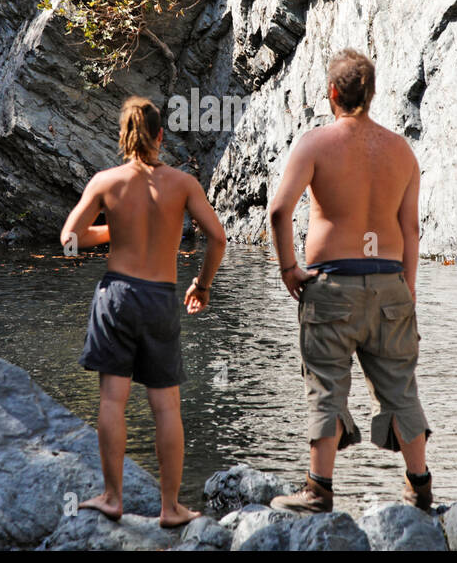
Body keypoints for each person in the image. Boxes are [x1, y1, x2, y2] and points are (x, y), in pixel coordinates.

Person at [266, 48, 432, 513]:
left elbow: (279, 210)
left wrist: (287, 268)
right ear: (372, 94)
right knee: (401, 387)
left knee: (326, 385)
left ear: (332, 93)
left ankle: (318, 490)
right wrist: (408, 292)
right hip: (390, 286)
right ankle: (419, 488)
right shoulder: (402, 151)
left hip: (331, 287)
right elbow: (411, 230)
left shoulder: (315, 144)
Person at [61, 96, 226, 528]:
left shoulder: (106, 181)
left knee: (113, 399)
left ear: (124, 136)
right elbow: (218, 238)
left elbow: (69, 239)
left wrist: (114, 229)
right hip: (159, 296)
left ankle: (113, 498)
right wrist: (202, 285)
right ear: (159, 136)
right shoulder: (184, 184)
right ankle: (171, 508)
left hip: (116, 295)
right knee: (166, 406)